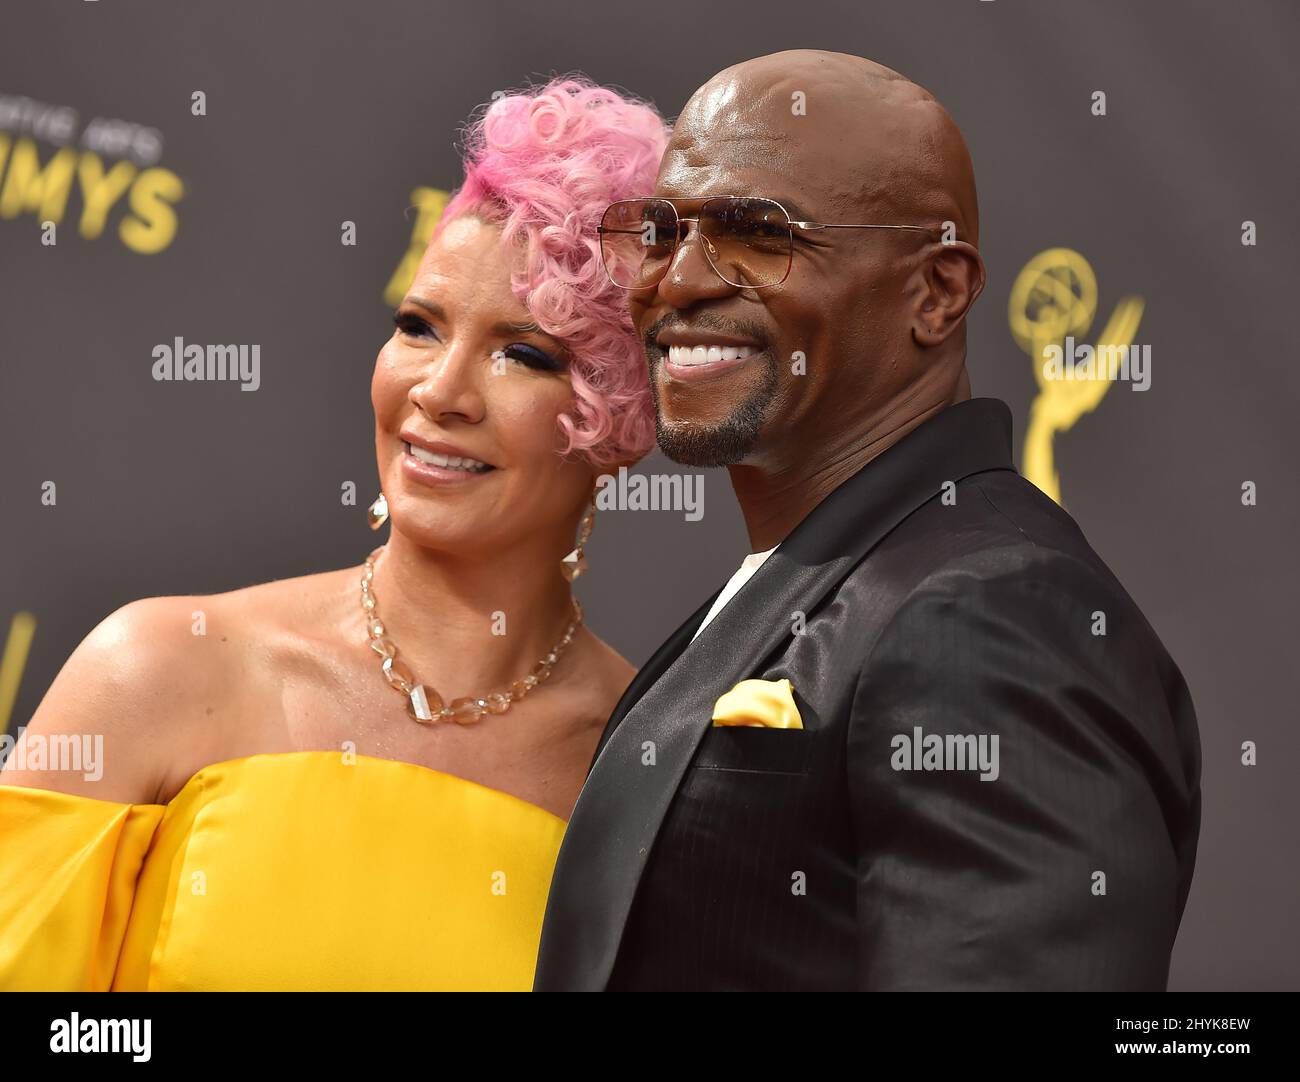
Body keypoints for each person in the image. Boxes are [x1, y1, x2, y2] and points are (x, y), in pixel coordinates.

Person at [534, 50, 1202, 991]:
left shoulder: (989, 611)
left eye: (758, 233)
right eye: (660, 229)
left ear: (935, 292)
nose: (676, 281)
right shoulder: (828, 575)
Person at [0, 75, 669, 991]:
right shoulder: (161, 668)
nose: (439, 392)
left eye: (523, 353)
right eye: (419, 327)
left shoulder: (645, 779)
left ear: (615, 414)